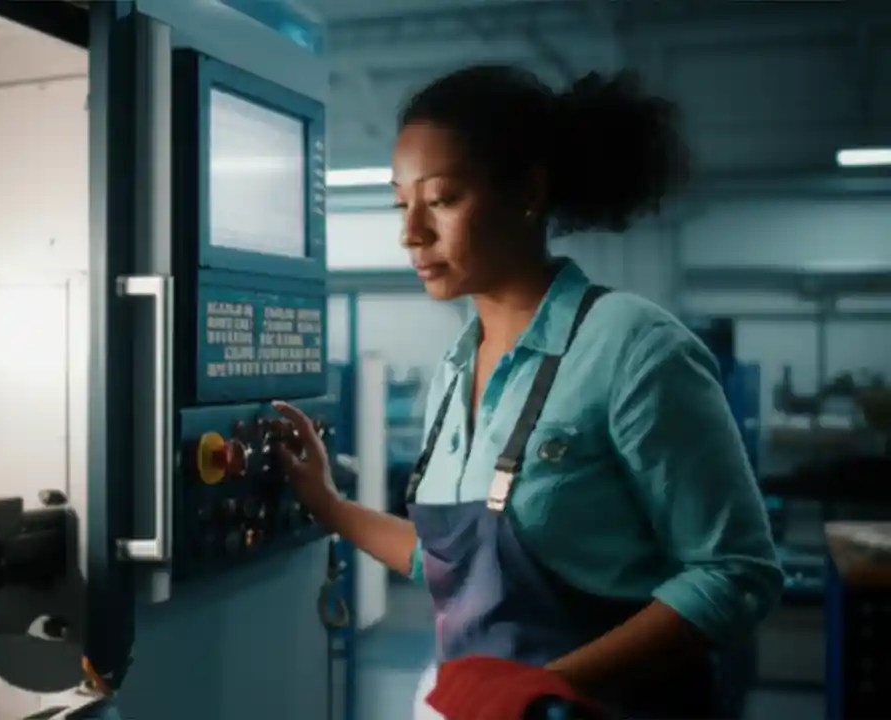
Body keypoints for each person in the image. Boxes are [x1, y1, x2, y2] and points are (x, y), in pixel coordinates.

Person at [273, 65, 783, 719]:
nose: (412, 234)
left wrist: (540, 689)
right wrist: (328, 504)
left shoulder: (631, 346)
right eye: (403, 204)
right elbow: (454, 570)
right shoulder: (455, 371)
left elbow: (736, 572)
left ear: (528, 193)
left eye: (444, 199)